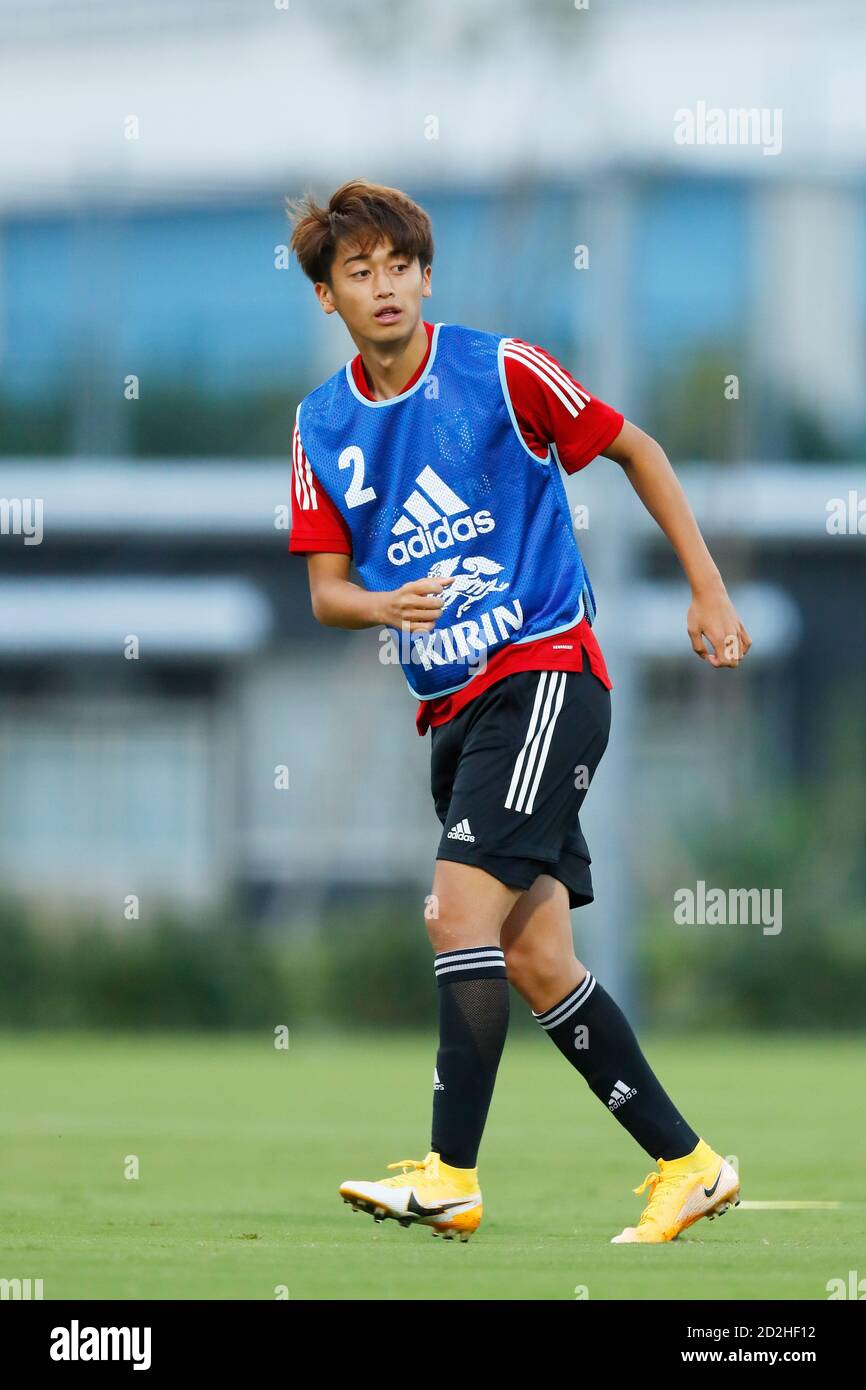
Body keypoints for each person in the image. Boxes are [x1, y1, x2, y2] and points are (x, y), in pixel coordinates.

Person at [287, 178, 749, 1244]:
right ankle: (690, 1165)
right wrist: (380, 603)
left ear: (425, 274)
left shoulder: (498, 367)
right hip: (452, 713)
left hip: (543, 676)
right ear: (327, 297)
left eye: (399, 265)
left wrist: (706, 587)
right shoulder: (320, 424)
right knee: (535, 960)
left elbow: (637, 448)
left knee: (456, 915)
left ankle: (450, 1173)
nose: (384, 285)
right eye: (357, 272)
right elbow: (324, 594)